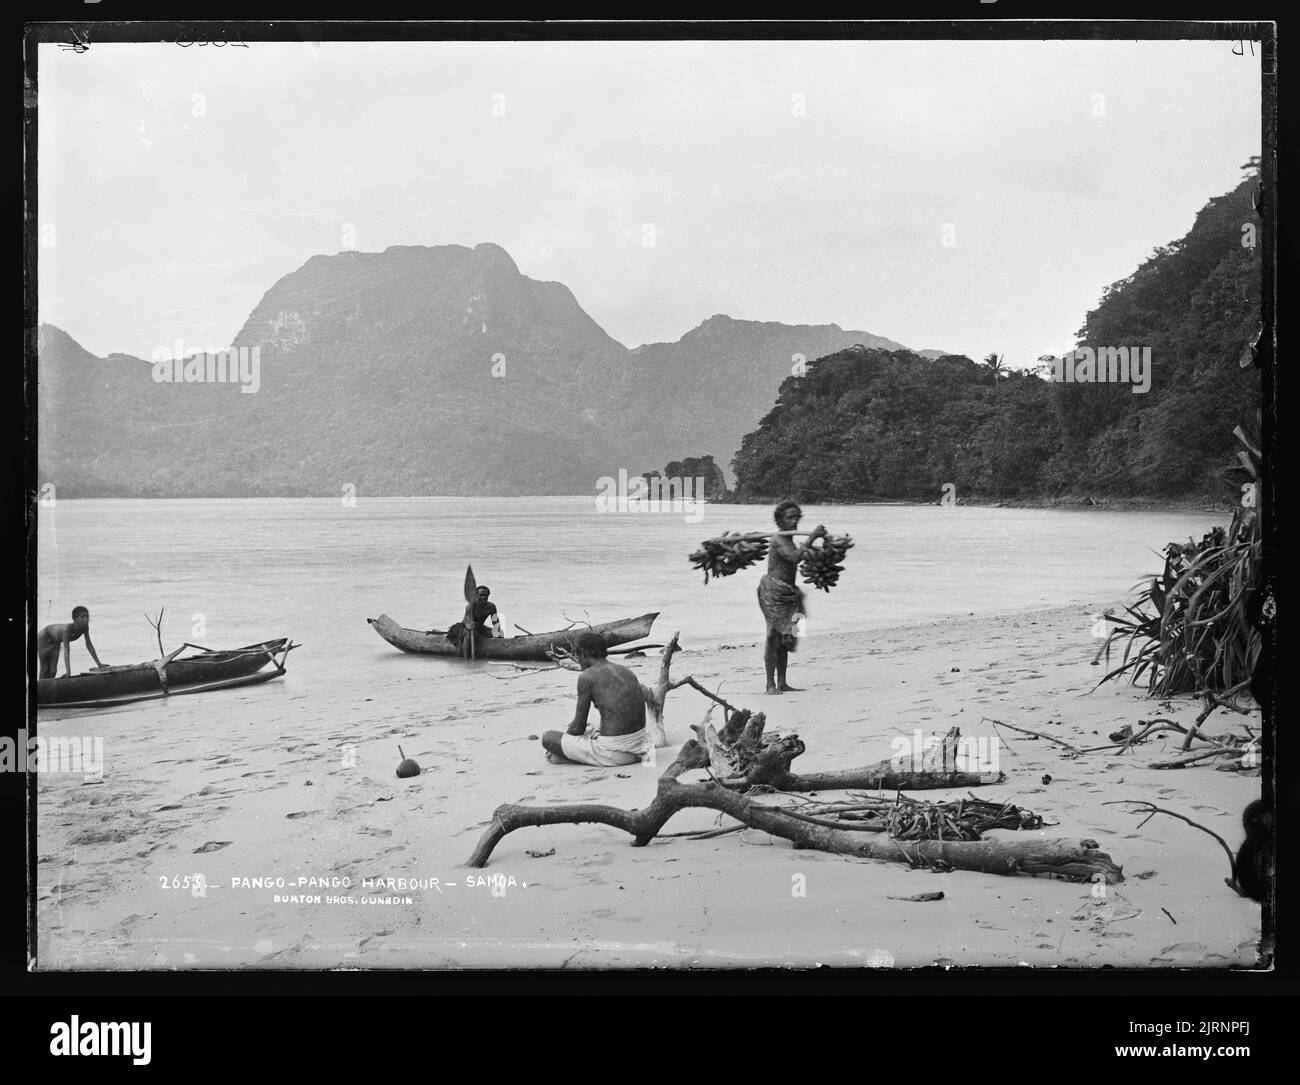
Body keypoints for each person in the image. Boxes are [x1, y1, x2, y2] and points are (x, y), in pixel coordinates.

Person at [541, 631, 648, 766]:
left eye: (576, 654)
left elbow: (578, 727)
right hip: (643, 747)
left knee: (548, 737)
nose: (577, 659)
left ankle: (571, 757)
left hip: (616, 753)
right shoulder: (625, 670)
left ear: (584, 653)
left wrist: (562, 744)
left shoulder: (587, 677)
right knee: (592, 729)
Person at [758, 501, 825, 694]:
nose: (794, 521)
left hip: (788, 593)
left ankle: (782, 682)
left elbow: (798, 556)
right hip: (773, 592)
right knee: (772, 636)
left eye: (797, 517)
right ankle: (770, 685)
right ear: (780, 520)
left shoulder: (790, 540)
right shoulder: (779, 540)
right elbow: (795, 557)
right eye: (790, 517)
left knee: (785, 638)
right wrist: (812, 537)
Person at [37, 606, 105, 679]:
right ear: (74, 619)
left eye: (87, 617)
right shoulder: (67, 630)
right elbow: (66, 651)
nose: (86, 619)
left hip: (56, 641)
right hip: (44, 637)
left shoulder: (85, 627)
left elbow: (89, 645)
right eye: (82, 617)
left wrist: (99, 664)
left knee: (53, 671)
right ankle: (40, 687)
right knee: (45, 668)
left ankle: (48, 687)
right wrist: (68, 672)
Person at [460, 585, 503, 658]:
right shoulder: (470, 606)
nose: (483, 597)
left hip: (479, 627)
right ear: (476, 595)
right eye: (481, 595)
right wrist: (470, 625)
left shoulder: (491, 606)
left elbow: (495, 622)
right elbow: (467, 623)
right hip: (465, 628)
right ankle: (466, 658)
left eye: (485, 595)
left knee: (500, 632)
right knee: (469, 634)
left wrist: (498, 633)